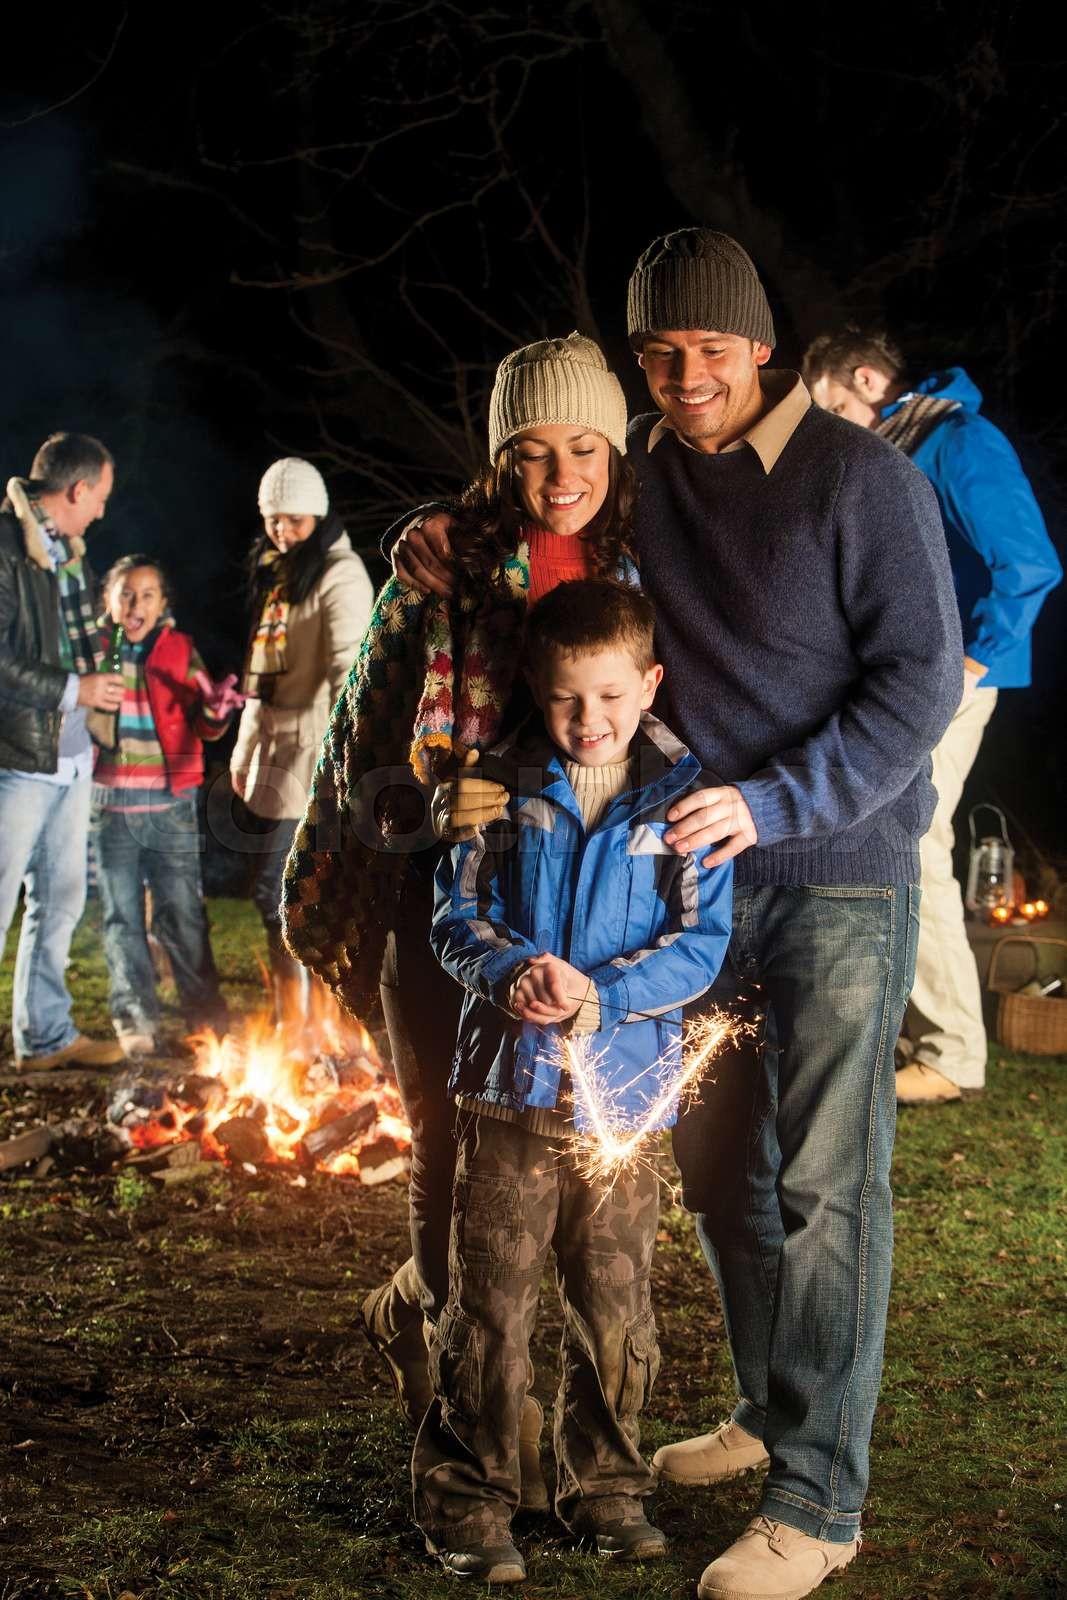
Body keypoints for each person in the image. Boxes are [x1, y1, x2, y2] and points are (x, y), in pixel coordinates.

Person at [390, 231, 963, 1600]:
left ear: (759, 344)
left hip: (827, 868)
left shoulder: (857, 477)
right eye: (660, 352)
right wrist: (435, 529)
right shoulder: (638, 475)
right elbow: (537, 504)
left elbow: (919, 683)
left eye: (709, 348)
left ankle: (817, 1500)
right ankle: (765, 1408)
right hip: (680, 884)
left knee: (827, 1182)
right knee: (714, 1174)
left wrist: (776, 803)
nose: (685, 373)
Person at [281, 336, 634, 1505]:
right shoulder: (433, 569)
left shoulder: (640, 566)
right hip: (431, 907)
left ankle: (436, 1330)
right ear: (496, 459)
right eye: (529, 452)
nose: (558, 474)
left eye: (582, 447)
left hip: (579, 915)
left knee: (567, 1168)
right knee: (445, 1151)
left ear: (616, 450)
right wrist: (429, 805)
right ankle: (483, 1411)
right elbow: (351, 780)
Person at [413, 578, 732, 1583]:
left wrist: (594, 995)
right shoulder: (495, 788)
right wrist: (514, 972)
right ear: (535, 691)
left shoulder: (685, 802)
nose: (585, 720)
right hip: (505, 1091)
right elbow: (451, 919)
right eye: (562, 699)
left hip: (623, 1103)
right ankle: (473, 1496)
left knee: (615, 1301)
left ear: (648, 685)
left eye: (606, 695)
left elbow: (700, 943)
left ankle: (607, 1487)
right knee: (490, 1305)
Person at [802, 330, 1062, 1104]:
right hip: (905, 674)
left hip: (949, 679)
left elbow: (1031, 565)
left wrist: (969, 663)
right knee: (893, 837)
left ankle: (951, 1053)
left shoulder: (958, 439)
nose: (837, 424)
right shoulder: (902, 448)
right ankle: (914, 1036)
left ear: (870, 377)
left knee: (916, 841)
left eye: (837, 406)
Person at [230, 457, 372, 1037]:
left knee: (285, 895)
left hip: (314, 758)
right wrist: (243, 753)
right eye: (272, 520)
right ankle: (300, 1022)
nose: (281, 531)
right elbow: (260, 686)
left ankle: (315, 1027)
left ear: (316, 514)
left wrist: (344, 757)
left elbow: (349, 669)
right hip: (275, 758)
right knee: (283, 895)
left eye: (291, 519)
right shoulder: (286, 579)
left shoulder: (341, 574)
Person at [0, 434, 126, 1069]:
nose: (101, 511)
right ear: (77, 490)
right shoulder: (5, 549)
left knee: (60, 901)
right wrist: (77, 688)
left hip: (71, 759)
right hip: (15, 760)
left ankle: (44, 1037)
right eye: (100, 497)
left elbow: (72, 642)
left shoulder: (68, 553)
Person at [90, 555, 243, 1055]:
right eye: (126, 594)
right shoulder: (96, 650)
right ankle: (137, 1025)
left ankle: (205, 1023)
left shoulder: (179, 650)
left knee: (182, 914)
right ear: (109, 601)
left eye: (148, 594)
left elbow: (206, 721)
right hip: (110, 808)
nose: (136, 604)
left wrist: (217, 711)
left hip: (169, 804)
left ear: (162, 604)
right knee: (121, 918)